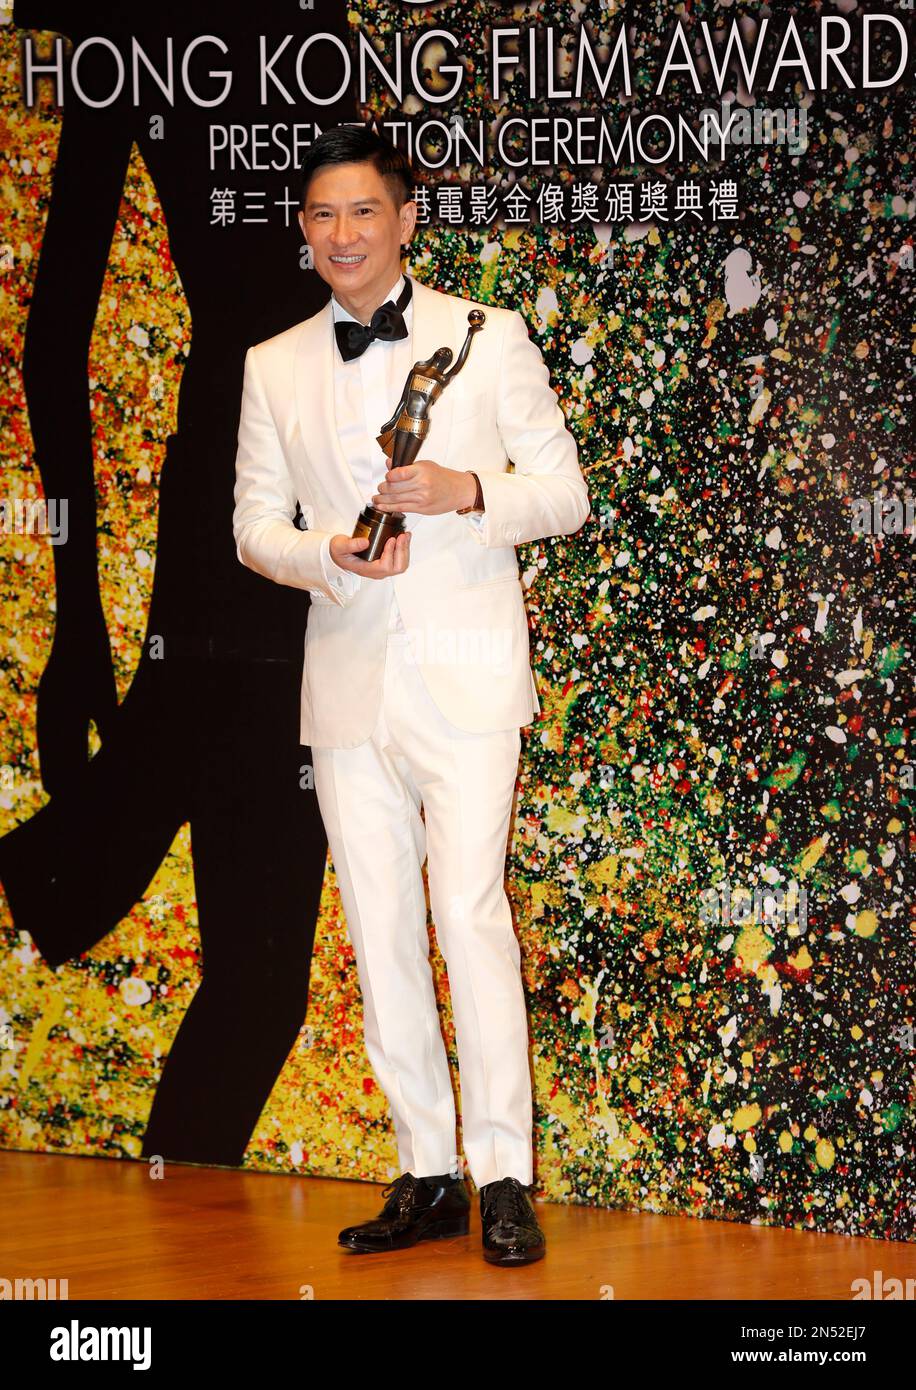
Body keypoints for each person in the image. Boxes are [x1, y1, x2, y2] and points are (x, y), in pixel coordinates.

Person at [232, 126, 590, 1266]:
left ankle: (503, 1178)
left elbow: (565, 493)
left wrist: (465, 487)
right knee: (380, 931)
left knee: (469, 917)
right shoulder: (273, 362)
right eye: (321, 216)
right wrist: (324, 554)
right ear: (304, 230)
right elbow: (250, 528)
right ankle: (426, 1170)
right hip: (346, 687)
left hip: (469, 681)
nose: (340, 235)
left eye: (362, 212)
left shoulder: (486, 338)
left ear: (404, 219)